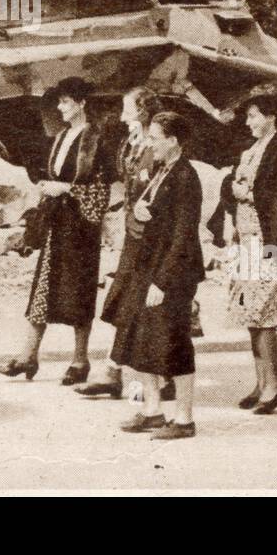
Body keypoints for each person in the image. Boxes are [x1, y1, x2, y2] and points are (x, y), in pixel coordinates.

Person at [0, 77, 110, 384]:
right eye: (59, 102)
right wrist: (49, 189)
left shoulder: (96, 140)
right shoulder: (61, 137)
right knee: (43, 285)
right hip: (57, 222)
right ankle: (28, 357)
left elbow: (102, 188)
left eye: (65, 102)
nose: (60, 107)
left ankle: (80, 360)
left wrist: (67, 189)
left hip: (81, 225)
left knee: (79, 291)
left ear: (82, 103)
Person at [77, 87, 174, 403]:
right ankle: (114, 373)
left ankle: (153, 375)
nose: (121, 115)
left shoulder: (158, 147)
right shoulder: (133, 144)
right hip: (133, 232)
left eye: (127, 108)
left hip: (150, 235)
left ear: (142, 111)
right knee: (128, 302)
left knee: (145, 305)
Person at [220, 92, 277, 415]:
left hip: (271, 244)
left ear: (271, 116)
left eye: (254, 116)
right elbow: (232, 188)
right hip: (246, 242)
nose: (249, 122)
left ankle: (273, 386)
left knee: (263, 313)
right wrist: (233, 191)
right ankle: (264, 382)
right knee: (252, 315)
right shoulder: (249, 151)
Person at [113, 112, 205, 440]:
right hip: (149, 264)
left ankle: (184, 419)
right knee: (139, 338)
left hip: (173, 270)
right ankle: (152, 410)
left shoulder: (185, 176)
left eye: (155, 138)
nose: (149, 143)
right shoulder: (161, 169)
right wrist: (141, 210)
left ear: (173, 140)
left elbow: (182, 235)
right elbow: (155, 210)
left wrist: (162, 281)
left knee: (174, 342)